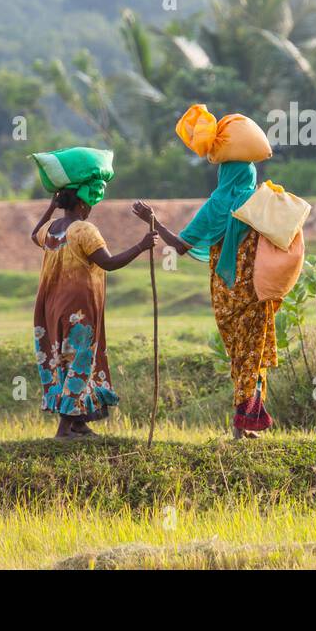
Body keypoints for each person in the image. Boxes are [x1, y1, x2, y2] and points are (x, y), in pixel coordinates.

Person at [133, 160, 280, 439]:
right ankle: (243, 423)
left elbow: (180, 246)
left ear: (224, 175)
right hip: (256, 292)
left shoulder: (215, 206)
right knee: (253, 354)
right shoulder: (260, 202)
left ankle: (244, 423)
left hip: (225, 296)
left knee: (242, 356)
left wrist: (154, 221)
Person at [30, 186, 158, 439]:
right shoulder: (84, 230)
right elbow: (108, 263)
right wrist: (141, 246)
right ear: (82, 205)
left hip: (52, 306)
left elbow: (35, 234)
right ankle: (64, 429)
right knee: (80, 362)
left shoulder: (53, 228)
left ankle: (79, 424)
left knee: (65, 360)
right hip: (78, 307)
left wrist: (50, 207)